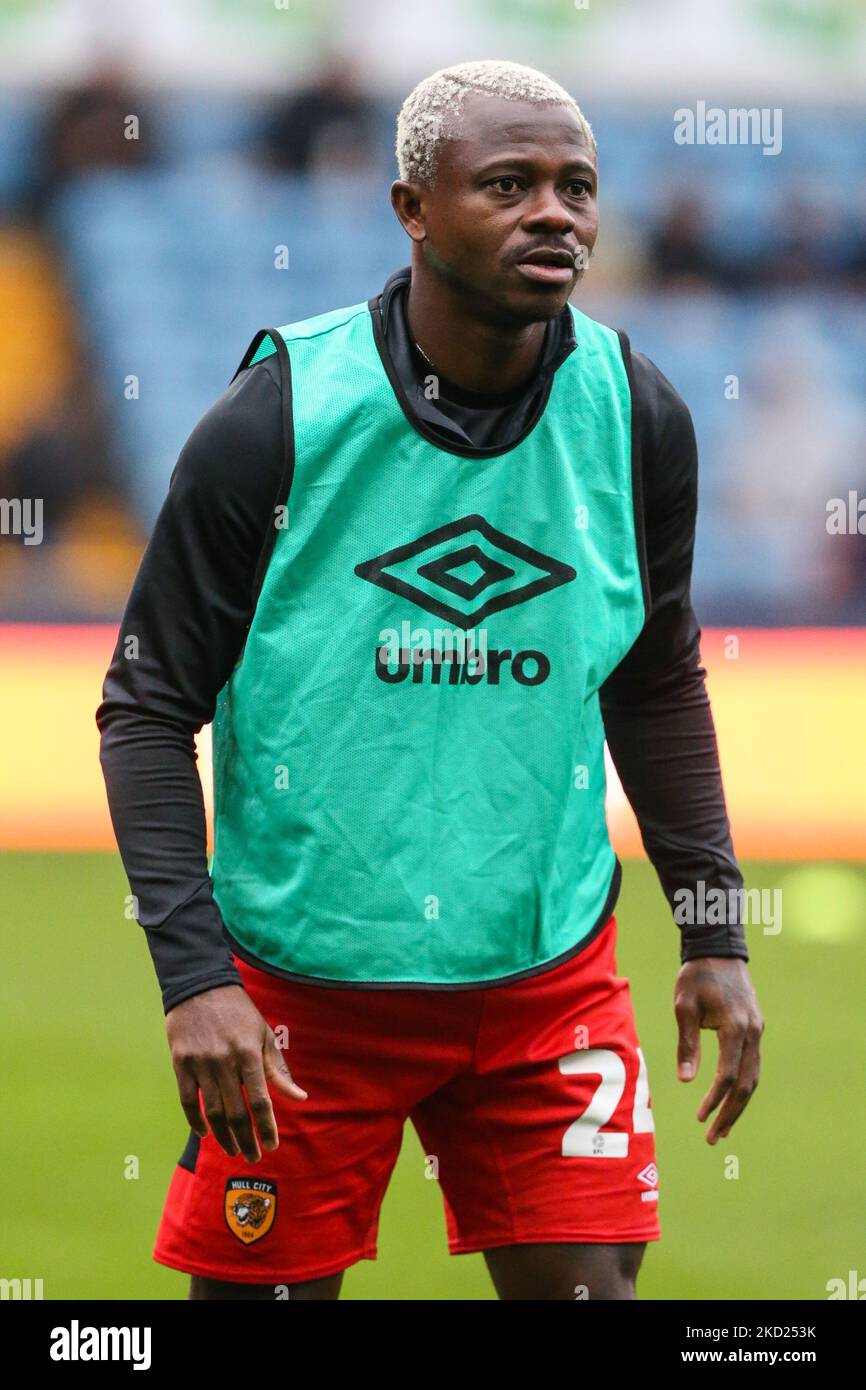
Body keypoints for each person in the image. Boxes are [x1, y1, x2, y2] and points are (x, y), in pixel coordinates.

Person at [97, 60, 764, 1302]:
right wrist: (193, 981)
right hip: (302, 990)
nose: (552, 213)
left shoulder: (634, 411)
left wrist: (713, 927)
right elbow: (144, 711)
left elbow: (655, 677)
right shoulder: (274, 419)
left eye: (575, 186)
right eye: (507, 185)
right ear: (411, 209)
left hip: (543, 985)